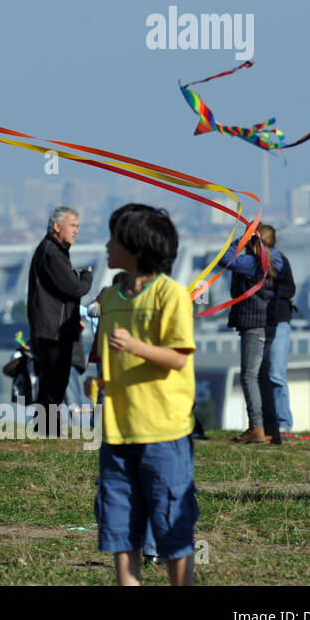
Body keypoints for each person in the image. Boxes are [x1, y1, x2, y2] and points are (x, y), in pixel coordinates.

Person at [89, 204, 197, 587]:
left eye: (114, 237)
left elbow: (178, 358)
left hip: (164, 433)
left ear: (134, 247)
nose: (106, 244)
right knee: (121, 529)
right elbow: (102, 358)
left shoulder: (172, 295)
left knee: (173, 527)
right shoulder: (111, 298)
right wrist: (100, 380)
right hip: (118, 434)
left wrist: (135, 346)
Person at [27, 206, 93, 434]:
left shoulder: (57, 252)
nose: (76, 231)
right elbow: (73, 288)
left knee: (54, 382)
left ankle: (45, 428)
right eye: (72, 225)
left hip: (56, 330)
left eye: (77, 226)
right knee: (53, 382)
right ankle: (46, 429)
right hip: (51, 331)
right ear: (57, 226)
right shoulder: (51, 252)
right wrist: (86, 277)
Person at [219, 231, 281, 443]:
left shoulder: (251, 262)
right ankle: (263, 426)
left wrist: (240, 239)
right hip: (267, 323)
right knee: (258, 375)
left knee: (249, 376)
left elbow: (224, 259)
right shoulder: (276, 259)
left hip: (254, 324)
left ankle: (256, 427)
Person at [258, 224, 295, 441]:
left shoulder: (281, 261)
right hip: (264, 321)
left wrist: (272, 292)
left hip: (278, 319)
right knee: (265, 375)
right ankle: (268, 422)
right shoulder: (250, 263)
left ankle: (283, 422)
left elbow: (290, 288)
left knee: (275, 374)